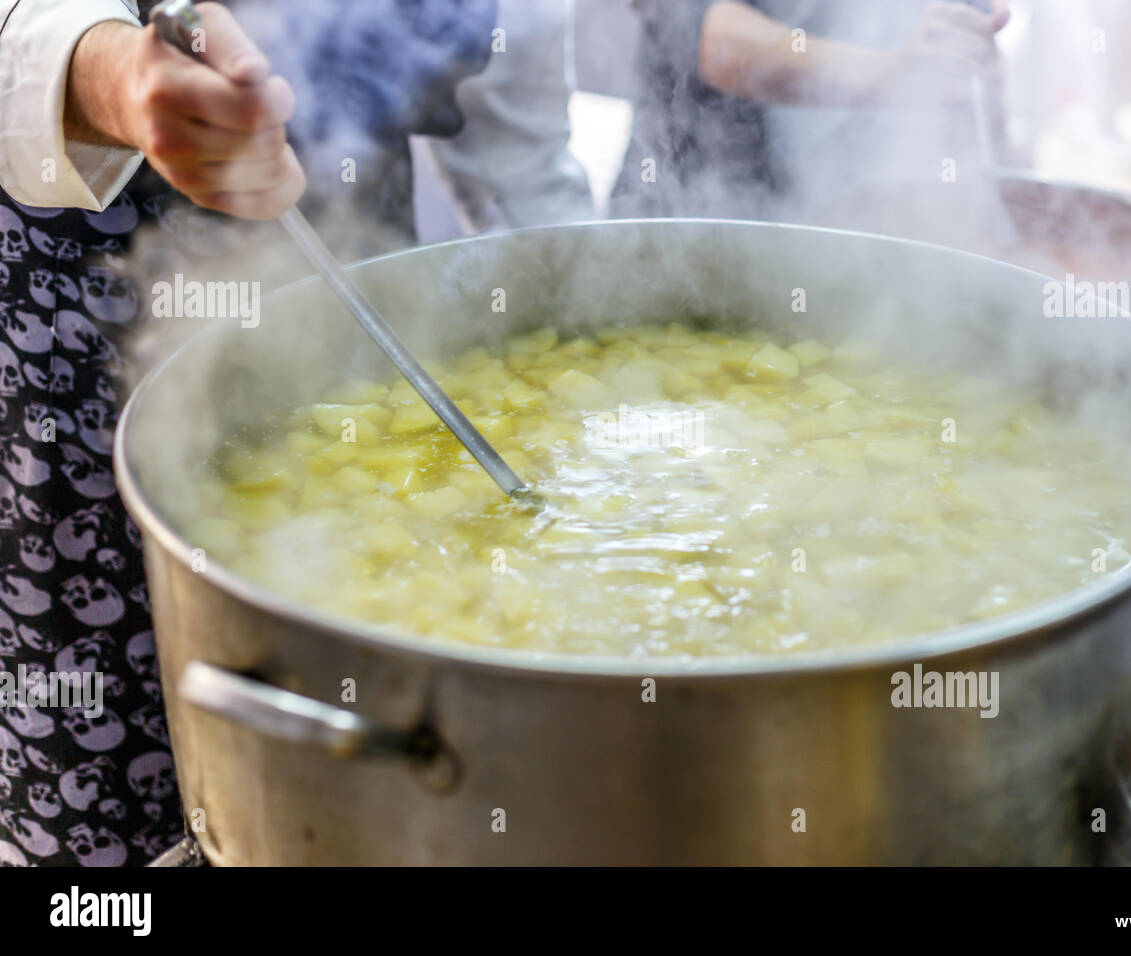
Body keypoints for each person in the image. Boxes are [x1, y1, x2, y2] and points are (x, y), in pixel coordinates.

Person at [0, 0, 586, 866]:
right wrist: (121, 79)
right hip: (81, 346)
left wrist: (574, 333)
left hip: (356, 310)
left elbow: (520, 139)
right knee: (110, 777)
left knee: (382, 773)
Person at [611, 0, 1010, 227]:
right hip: (684, 225)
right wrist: (890, 73)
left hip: (835, 234)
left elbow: (960, 51)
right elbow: (711, 38)